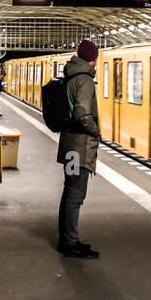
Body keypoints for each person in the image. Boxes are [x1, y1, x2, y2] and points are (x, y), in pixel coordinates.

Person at [56, 40, 101, 259]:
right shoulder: (85, 80)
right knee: (75, 195)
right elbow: (81, 113)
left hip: (71, 144)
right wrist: (96, 132)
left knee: (70, 192)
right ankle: (69, 244)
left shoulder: (72, 76)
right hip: (80, 146)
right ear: (93, 59)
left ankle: (67, 240)